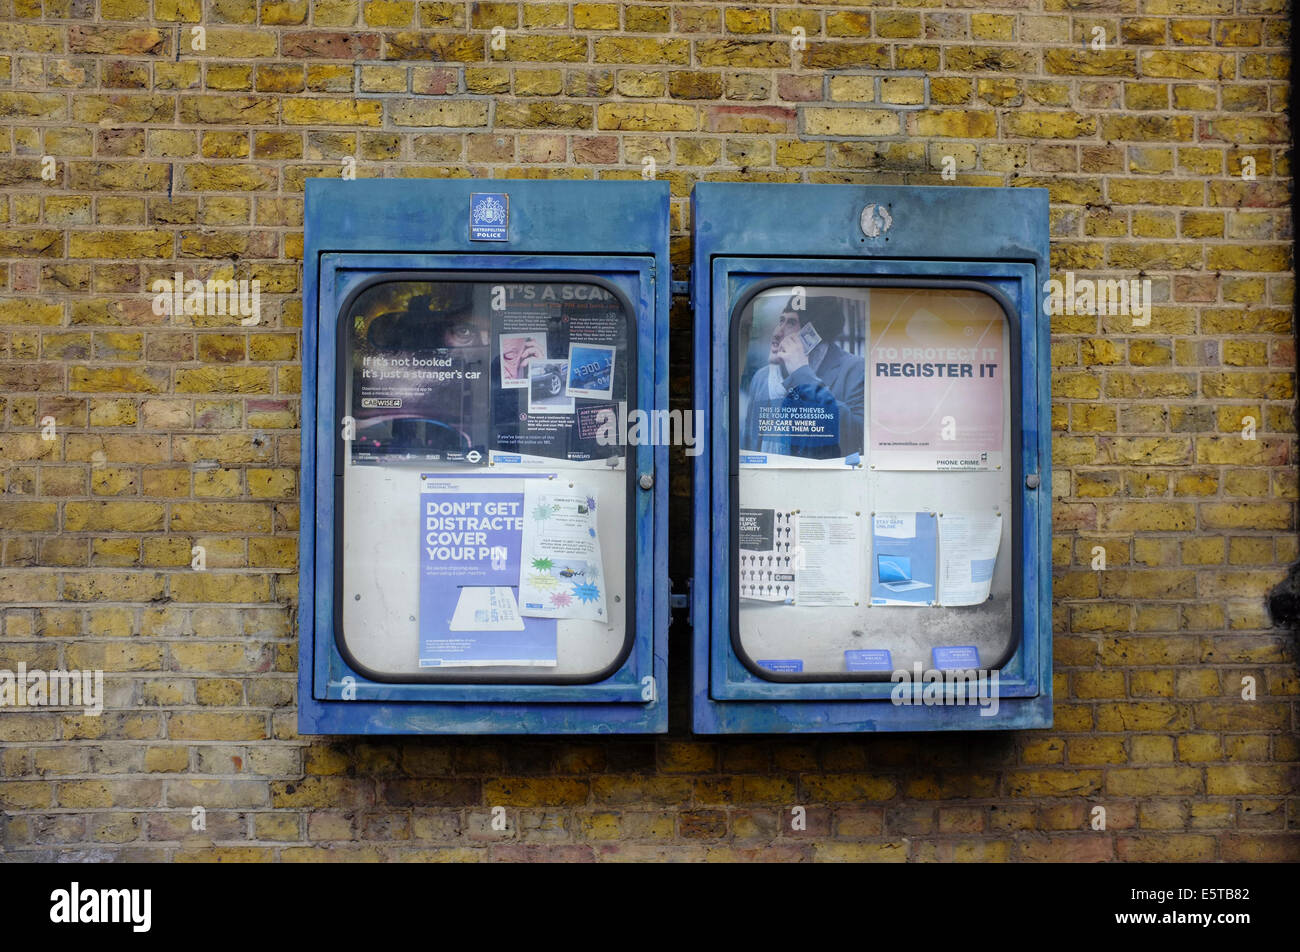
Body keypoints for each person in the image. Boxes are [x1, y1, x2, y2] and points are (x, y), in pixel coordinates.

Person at [742, 294, 865, 460]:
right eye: (781, 320)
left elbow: (855, 436)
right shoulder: (762, 377)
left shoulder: (854, 369)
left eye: (791, 322)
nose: (777, 333)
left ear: (813, 335)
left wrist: (802, 374)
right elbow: (750, 444)